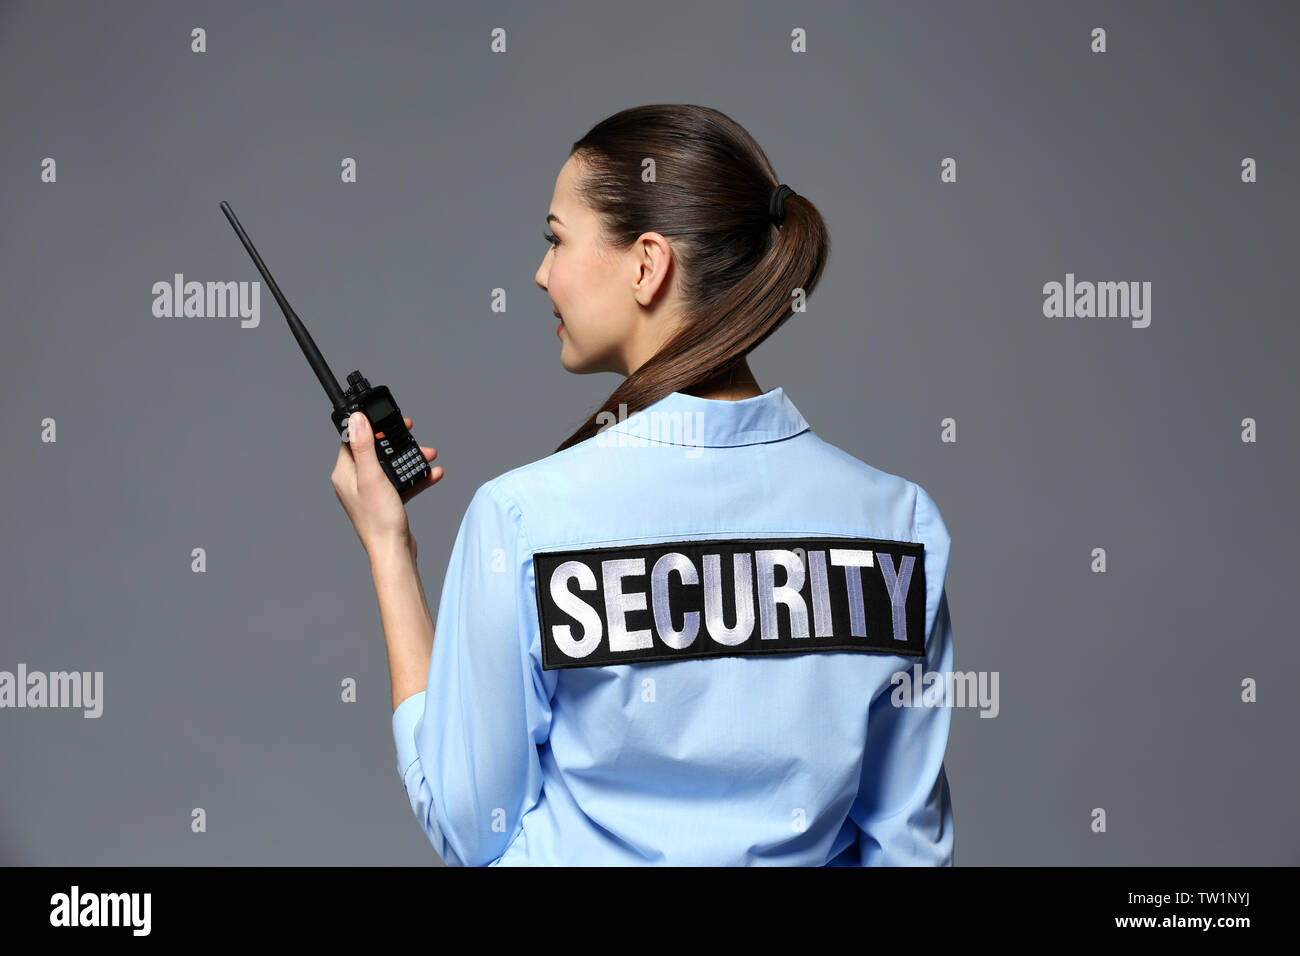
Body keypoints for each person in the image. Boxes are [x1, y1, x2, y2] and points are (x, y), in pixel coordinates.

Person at [329, 104, 955, 866]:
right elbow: (908, 852)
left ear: (646, 264)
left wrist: (389, 551)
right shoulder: (897, 524)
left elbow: (469, 827)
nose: (540, 273)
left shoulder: (523, 518)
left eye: (556, 239)